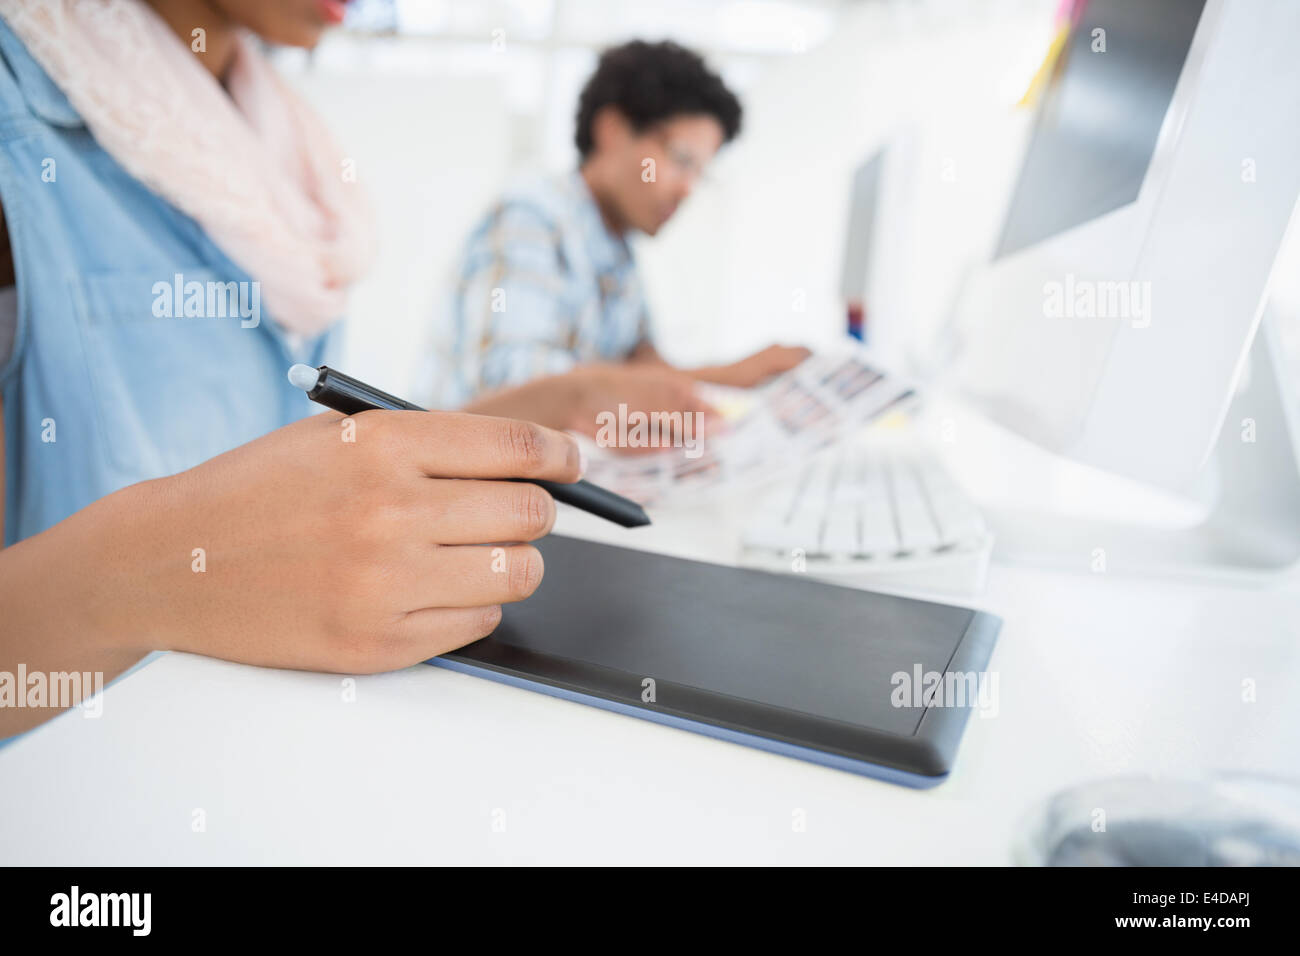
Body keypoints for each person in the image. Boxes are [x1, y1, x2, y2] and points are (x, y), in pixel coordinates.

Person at [0, 0, 583, 738]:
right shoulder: (17, 115)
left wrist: (531, 407)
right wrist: (158, 568)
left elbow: (282, 460)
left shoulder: (281, 147)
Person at [442, 40, 810, 438]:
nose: (688, 189)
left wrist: (736, 382)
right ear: (612, 130)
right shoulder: (531, 215)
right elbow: (507, 384)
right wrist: (723, 375)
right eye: (682, 160)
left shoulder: (618, 246)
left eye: (701, 173)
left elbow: (643, 367)